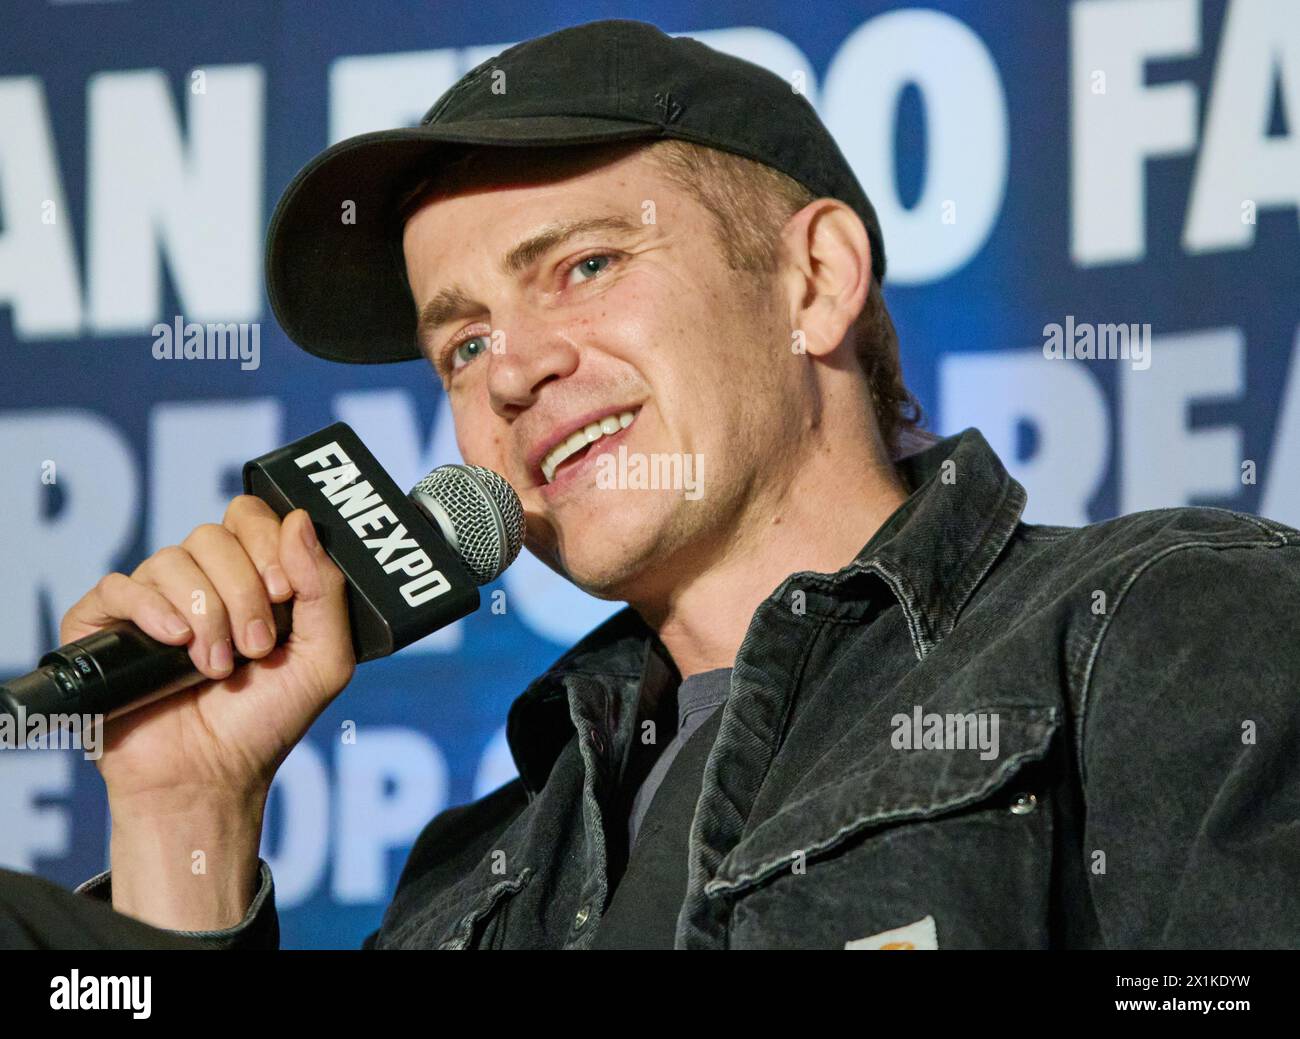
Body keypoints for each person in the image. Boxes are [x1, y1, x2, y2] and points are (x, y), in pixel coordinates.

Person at [53, 19, 1300, 949]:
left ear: (812, 280)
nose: (515, 372)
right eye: (464, 342)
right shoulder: (469, 877)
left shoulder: (1153, 628)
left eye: (585, 266)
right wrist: (184, 817)